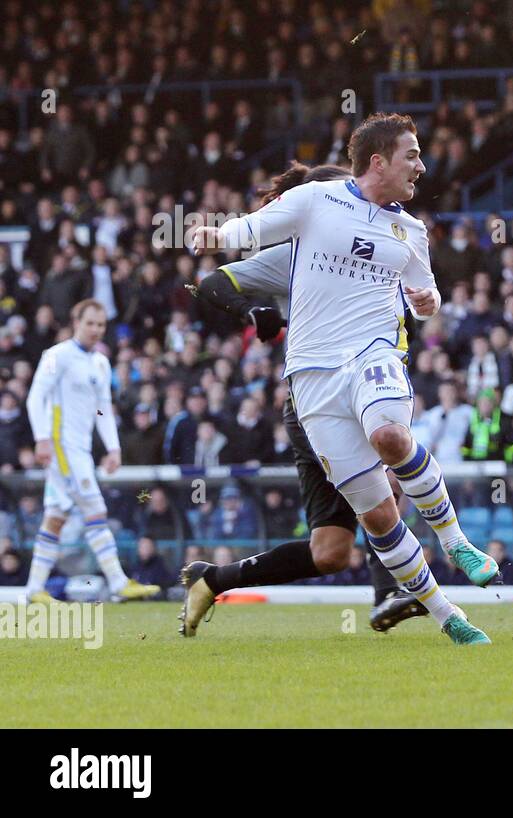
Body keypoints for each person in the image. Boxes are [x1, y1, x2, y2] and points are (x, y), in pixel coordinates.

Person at [190, 115, 494, 645]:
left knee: (390, 438)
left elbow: (427, 295)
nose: (421, 166)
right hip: (310, 379)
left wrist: (428, 303)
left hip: (372, 356)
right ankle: (446, 615)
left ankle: (454, 543)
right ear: (378, 162)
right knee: (362, 526)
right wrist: (221, 237)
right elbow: (247, 237)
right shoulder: (314, 207)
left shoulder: (410, 229)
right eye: (412, 156)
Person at [186, 161, 427, 635]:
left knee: (330, 552)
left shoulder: (383, 244)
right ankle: (389, 595)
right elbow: (212, 283)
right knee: (387, 476)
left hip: (358, 388)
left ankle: (212, 580)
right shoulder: (300, 253)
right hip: (316, 398)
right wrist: (254, 310)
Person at [23, 299, 158, 603]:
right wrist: (42, 438)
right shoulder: (56, 356)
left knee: (56, 516)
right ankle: (117, 581)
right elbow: (35, 398)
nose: (96, 330)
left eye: (101, 325)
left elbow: (103, 410)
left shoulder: (100, 362)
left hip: (81, 449)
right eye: (90, 323)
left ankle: (34, 589)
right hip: (61, 445)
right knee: (95, 509)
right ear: (76, 321)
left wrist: (113, 448)